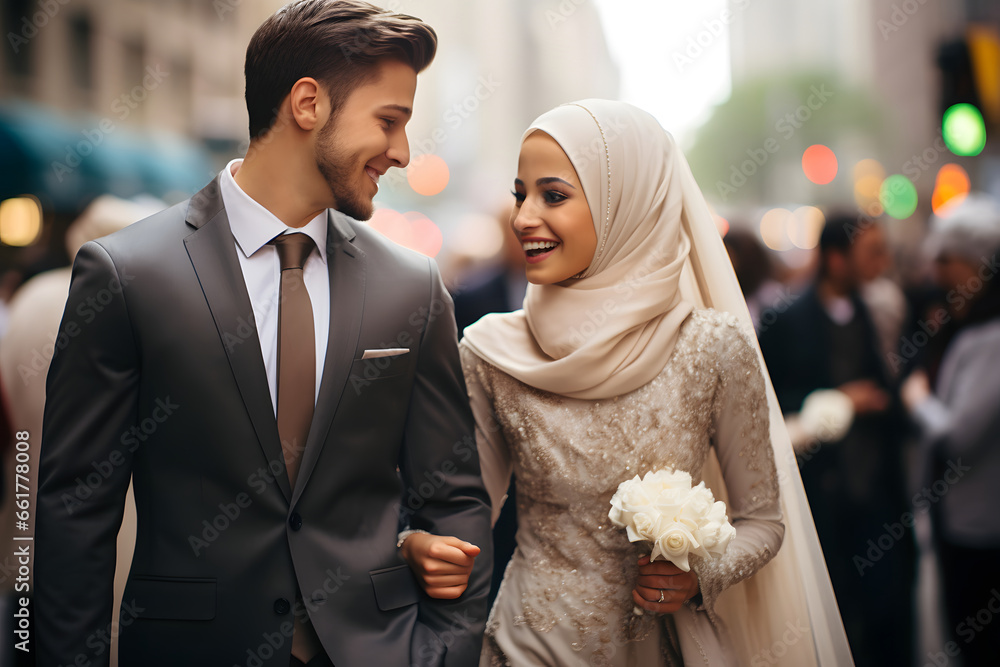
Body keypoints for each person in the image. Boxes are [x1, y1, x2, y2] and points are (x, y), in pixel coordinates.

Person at [33, 2, 492, 666]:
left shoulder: (412, 286)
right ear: (308, 104)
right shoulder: (127, 274)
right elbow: (73, 511)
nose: (401, 151)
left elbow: (455, 499)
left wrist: (440, 654)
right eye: (388, 121)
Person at [402, 100, 853, 665]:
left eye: (554, 195)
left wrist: (700, 570)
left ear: (626, 205)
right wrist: (419, 542)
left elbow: (762, 522)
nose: (522, 217)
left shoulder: (713, 346)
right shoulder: (491, 350)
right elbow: (467, 510)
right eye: (521, 195)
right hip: (528, 648)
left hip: (668, 647)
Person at [0, 195, 162, 666]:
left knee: (26, 644)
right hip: (114, 549)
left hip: (26, 534)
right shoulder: (141, 305)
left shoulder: (31, 298)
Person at [758, 216, 916, 667]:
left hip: (878, 490)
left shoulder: (882, 310)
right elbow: (768, 402)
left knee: (887, 610)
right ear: (835, 257)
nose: (881, 263)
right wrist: (839, 401)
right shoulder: (787, 319)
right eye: (872, 252)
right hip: (822, 494)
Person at [902, 195, 1000, 666]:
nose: (939, 274)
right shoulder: (969, 323)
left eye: (949, 261)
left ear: (978, 265)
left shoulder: (991, 336)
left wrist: (919, 401)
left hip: (980, 527)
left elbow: (960, 433)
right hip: (963, 519)